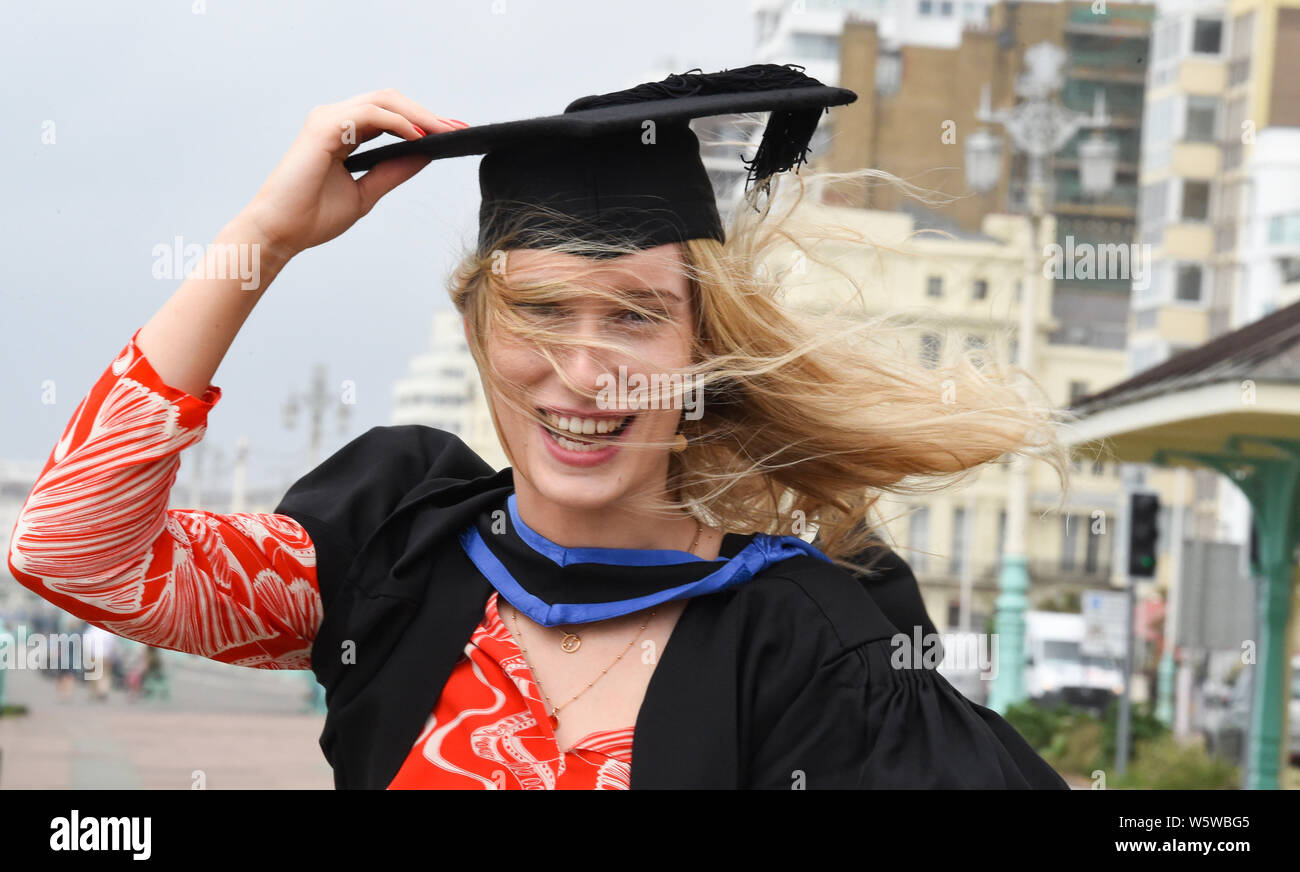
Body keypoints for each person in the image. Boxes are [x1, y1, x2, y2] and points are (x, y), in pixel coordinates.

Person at [7, 64, 1073, 789]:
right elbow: (73, 550)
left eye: (635, 316)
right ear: (478, 333)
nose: (582, 369)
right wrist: (264, 238)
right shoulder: (395, 557)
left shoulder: (808, 636)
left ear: (698, 350)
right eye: (540, 312)